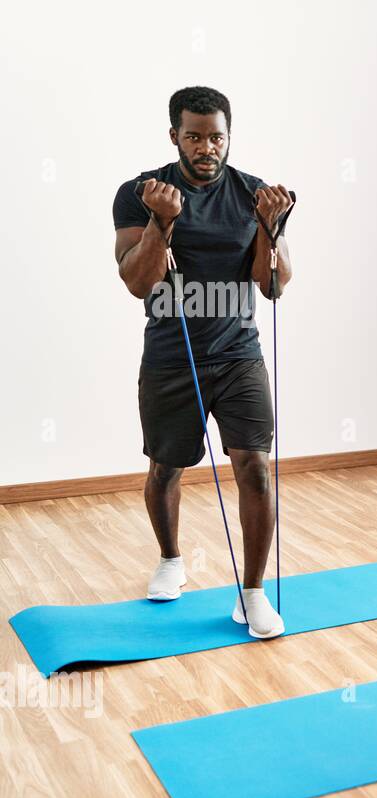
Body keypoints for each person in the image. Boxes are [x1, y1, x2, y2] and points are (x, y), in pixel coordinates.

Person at [111, 86, 294, 639]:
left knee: (255, 467)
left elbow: (273, 285)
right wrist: (161, 223)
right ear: (175, 136)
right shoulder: (141, 193)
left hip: (239, 355)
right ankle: (171, 559)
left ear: (228, 137)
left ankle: (253, 592)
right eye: (194, 137)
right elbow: (138, 283)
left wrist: (271, 227)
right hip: (171, 357)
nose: (206, 147)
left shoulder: (256, 194)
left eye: (216, 137)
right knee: (166, 468)